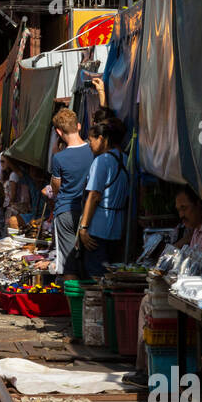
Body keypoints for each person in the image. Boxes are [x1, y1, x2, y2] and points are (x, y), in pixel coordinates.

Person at [45, 108, 93, 278]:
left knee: (68, 265)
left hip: (65, 211)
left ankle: (72, 303)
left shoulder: (59, 158)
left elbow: (56, 187)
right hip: (89, 212)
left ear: (58, 132)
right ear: (79, 126)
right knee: (89, 262)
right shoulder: (93, 151)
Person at [78, 119, 128, 275]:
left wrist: (84, 228)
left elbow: (94, 195)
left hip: (98, 229)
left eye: (91, 140)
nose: (89, 144)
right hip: (118, 229)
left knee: (96, 275)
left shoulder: (101, 161)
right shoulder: (126, 159)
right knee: (111, 276)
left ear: (101, 139)